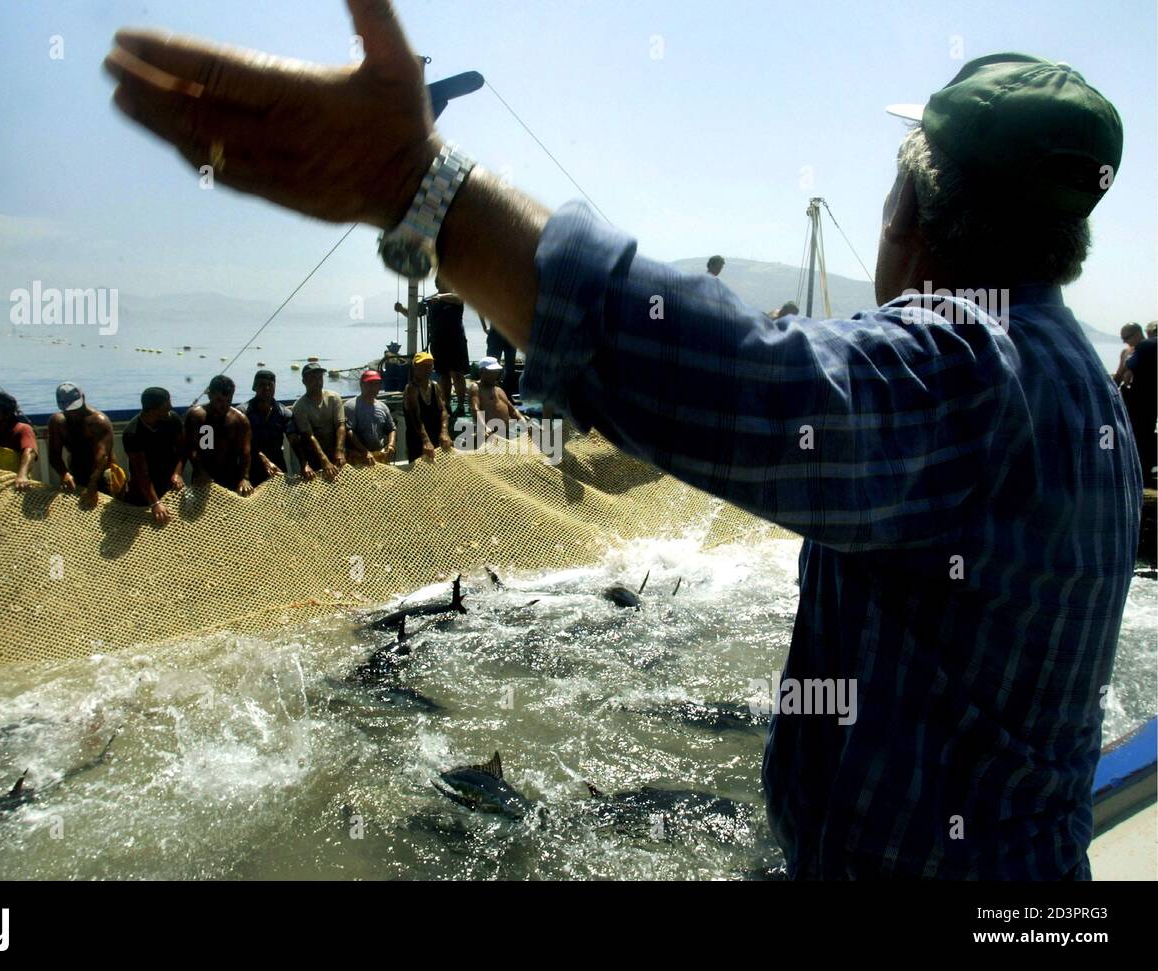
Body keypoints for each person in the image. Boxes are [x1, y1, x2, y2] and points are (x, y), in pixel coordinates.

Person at [107, 15, 1139, 880]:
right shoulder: (1079, 381)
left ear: (909, 214)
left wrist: (420, 185)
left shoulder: (969, 372)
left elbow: (746, 378)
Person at [398, 276, 469, 415]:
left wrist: (441, 297)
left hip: (456, 341)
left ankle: (460, 405)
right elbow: (413, 314)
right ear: (437, 283)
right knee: (443, 375)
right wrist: (401, 309)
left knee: (458, 374)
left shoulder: (455, 297)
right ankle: (447, 405)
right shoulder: (430, 301)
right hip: (438, 342)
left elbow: (460, 298)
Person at [47, 383, 124, 509]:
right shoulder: (57, 422)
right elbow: (54, 454)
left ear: (83, 398)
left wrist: (92, 485)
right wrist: (63, 473)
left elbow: (102, 457)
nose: (72, 412)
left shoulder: (98, 421)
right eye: (67, 408)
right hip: (75, 471)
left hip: (103, 473)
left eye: (74, 407)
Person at [123, 386, 185, 524]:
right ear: (152, 410)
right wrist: (155, 503)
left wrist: (178, 473)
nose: (171, 407)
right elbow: (141, 473)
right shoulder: (132, 434)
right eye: (166, 405)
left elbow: (182, 449)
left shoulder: (172, 419)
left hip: (171, 483)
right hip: (143, 489)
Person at [185, 375, 254, 495]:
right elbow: (191, 448)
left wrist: (245, 478)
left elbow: (245, 452)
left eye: (228, 401)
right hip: (202, 476)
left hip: (231, 477)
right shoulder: (197, 416)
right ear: (209, 395)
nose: (223, 406)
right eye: (219, 401)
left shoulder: (239, 420)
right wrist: (200, 471)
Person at [237, 369, 294, 487]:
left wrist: (304, 463)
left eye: (270, 385)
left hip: (277, 467)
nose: (266, 388)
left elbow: (294, 440)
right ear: (254, 387)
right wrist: (263, 460)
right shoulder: (242, 413)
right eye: (262, 384)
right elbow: (241, 443)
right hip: (250, 468)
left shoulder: (284, 413)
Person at [291, 361, 346, 480]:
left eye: (320, 377)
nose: (318, 381)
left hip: (336, 451)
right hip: (314, 457)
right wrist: (324, 460)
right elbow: (308, 435)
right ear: (304, 381)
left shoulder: (334, 398)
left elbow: (340, 425)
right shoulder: (300, 406)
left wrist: (339, 450)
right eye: (312, 378)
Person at [1118, 323, 1156, 485]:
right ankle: (1147, 470)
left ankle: (1142, 473)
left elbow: (1130, 365)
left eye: (1126, 338)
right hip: (1153, 397)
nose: (1126, 343)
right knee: (1147, 433)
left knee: (1140, 435)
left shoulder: (1145, 346)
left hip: (1142, 397)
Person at [402, 351, 450, 461]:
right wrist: (426, 441)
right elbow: (415, 417)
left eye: (429, 366)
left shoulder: (435, 386)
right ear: (415, 367)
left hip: (436, 437)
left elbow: (443, 410)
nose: (427, 369)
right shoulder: (411, 389)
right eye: (423, 366)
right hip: (418, 441)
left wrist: (444, 432)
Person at [344, 370, 396, 465]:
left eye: (376, 384)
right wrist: (364, 451)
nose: (373, 388)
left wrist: (391, 444)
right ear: (361, 385)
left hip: (379, 455)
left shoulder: (383, 407)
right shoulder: (350, 406)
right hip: (358, 457)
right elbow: (349, 431)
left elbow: (391, 429)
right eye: (369, 384)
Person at [469, 356, 524, 441]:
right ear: (481, 372)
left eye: (496, 371)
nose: (495, 375)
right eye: (491, 372)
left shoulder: (499, 390)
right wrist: (483, 427)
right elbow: (475, 409)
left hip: (506, 432)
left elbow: (512, 410)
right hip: (488, 433)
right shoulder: (475, 388)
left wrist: (523, 421)